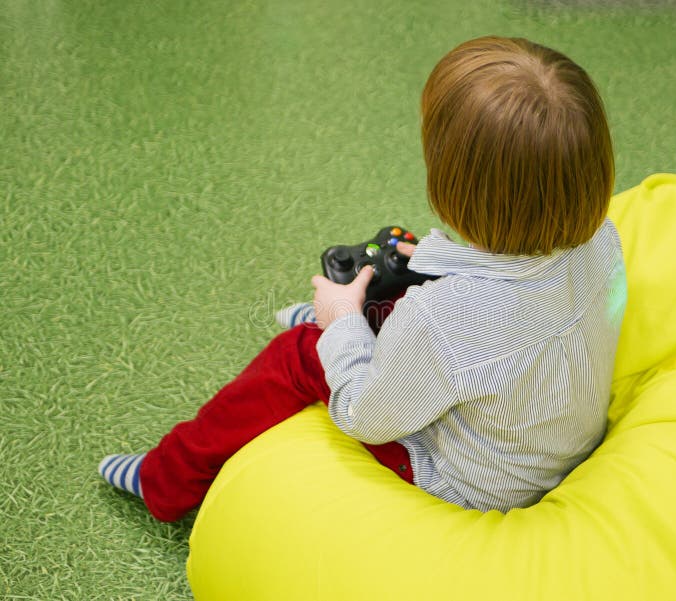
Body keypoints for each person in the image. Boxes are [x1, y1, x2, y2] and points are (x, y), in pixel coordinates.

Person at [98, 35, 627, 521]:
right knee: (407, 278)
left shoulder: (441, 319)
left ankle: (164, 480)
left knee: (297, 353)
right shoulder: (604, 237)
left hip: (471, 482)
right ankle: (351, 315)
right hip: (545, 432)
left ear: (451, 182)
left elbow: (364, 416)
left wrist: (342, 326)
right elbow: (503, 316)